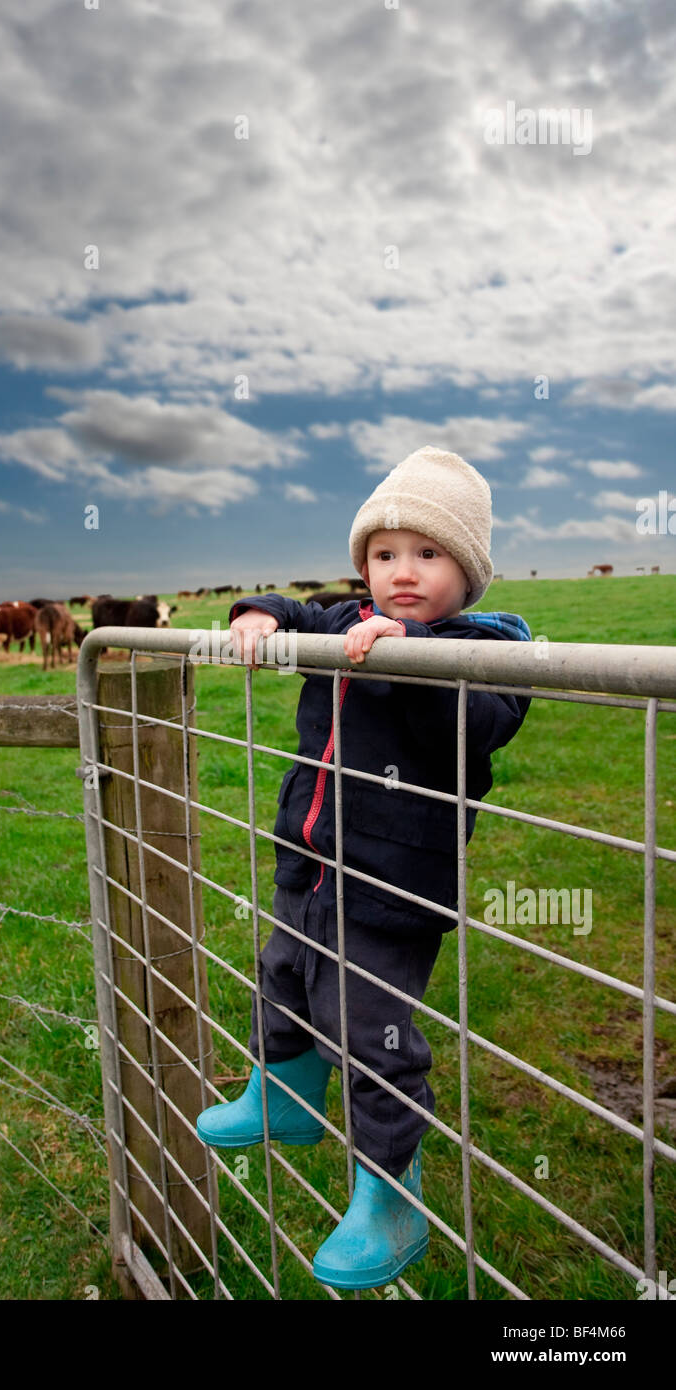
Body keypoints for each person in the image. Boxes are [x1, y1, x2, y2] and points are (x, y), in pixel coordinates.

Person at [195, 446, 534, 1291]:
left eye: (428, 555)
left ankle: (389, 1193)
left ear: (469, 568)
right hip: (308, 856)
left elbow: (486, 722)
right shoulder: (347, 618)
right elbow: (296, 607)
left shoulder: (488, 643)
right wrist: (258, 615)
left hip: (393, 883)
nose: (402, 575)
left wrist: (411, 654)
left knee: (370, 1026)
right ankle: (283, 1089)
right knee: (282, 974)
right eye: (384, 557)